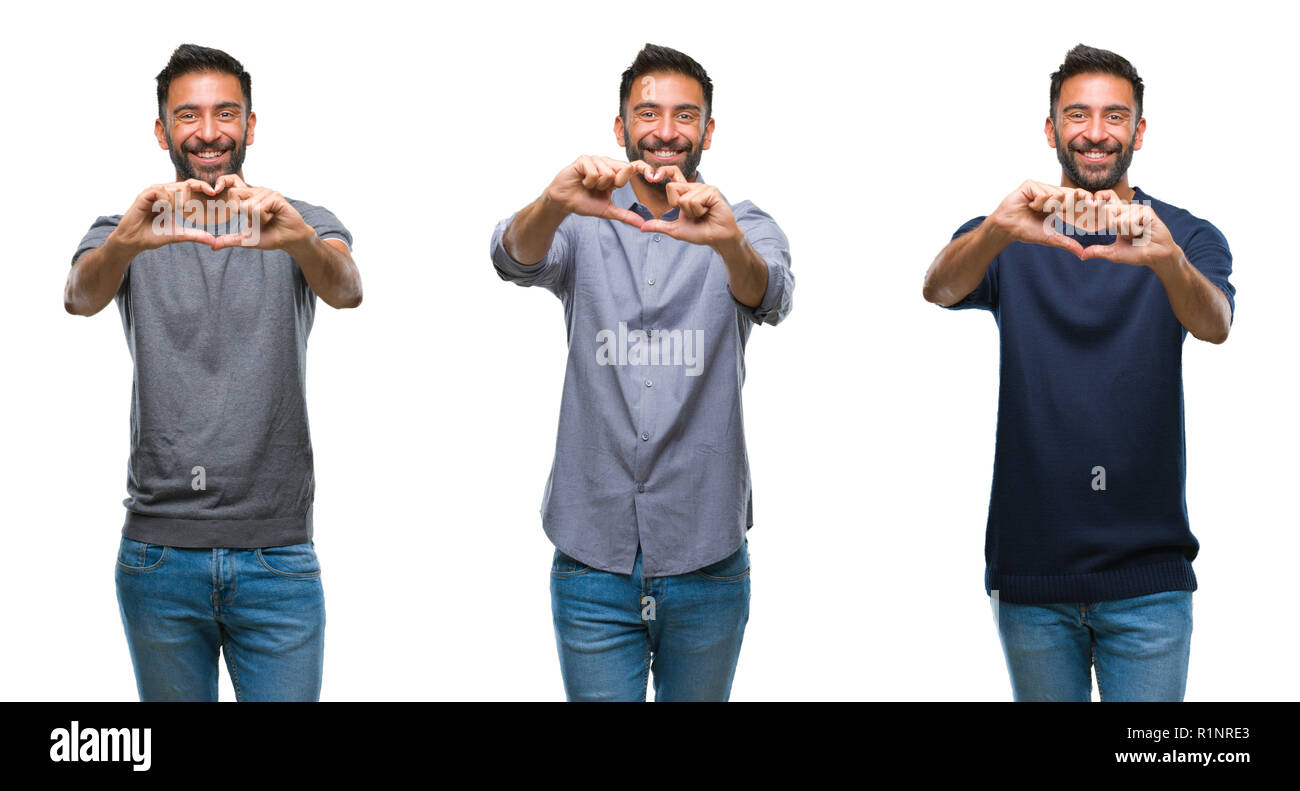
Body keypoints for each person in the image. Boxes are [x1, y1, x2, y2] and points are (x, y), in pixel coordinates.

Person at [923, 44, 1234, 702]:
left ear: (1139, 131)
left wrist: (1167, 261)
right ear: (1051, 129)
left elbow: (1215, 323)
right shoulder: (1008, 232)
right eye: (1078, 115)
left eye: (1115, 116)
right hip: (1032, 579)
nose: (1095, 132)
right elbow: (940, 288)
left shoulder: (1183, 235)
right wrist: (995, 233)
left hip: (1150, 581)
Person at [490, 43, 793, 701]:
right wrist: (553, 198)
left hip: (706, 558)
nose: (665, 131)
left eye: (685, 116)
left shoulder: (745, 226)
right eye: (647, 112)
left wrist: (726, 242)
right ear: (621, 126)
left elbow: (770, 295)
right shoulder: (578, 223)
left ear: (707, 131)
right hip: (592, 559)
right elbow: (511, 258)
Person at [65, 44, 362, 702]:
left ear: (251, 126)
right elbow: (79, 295)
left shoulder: (300, 223)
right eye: (188, 115)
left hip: (278, 556)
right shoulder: (123, 231)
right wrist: (126, 243)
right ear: (162, 130)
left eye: (226, 113)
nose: (208, 132)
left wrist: (298, 240)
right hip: (159, 557)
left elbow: (345, 287)